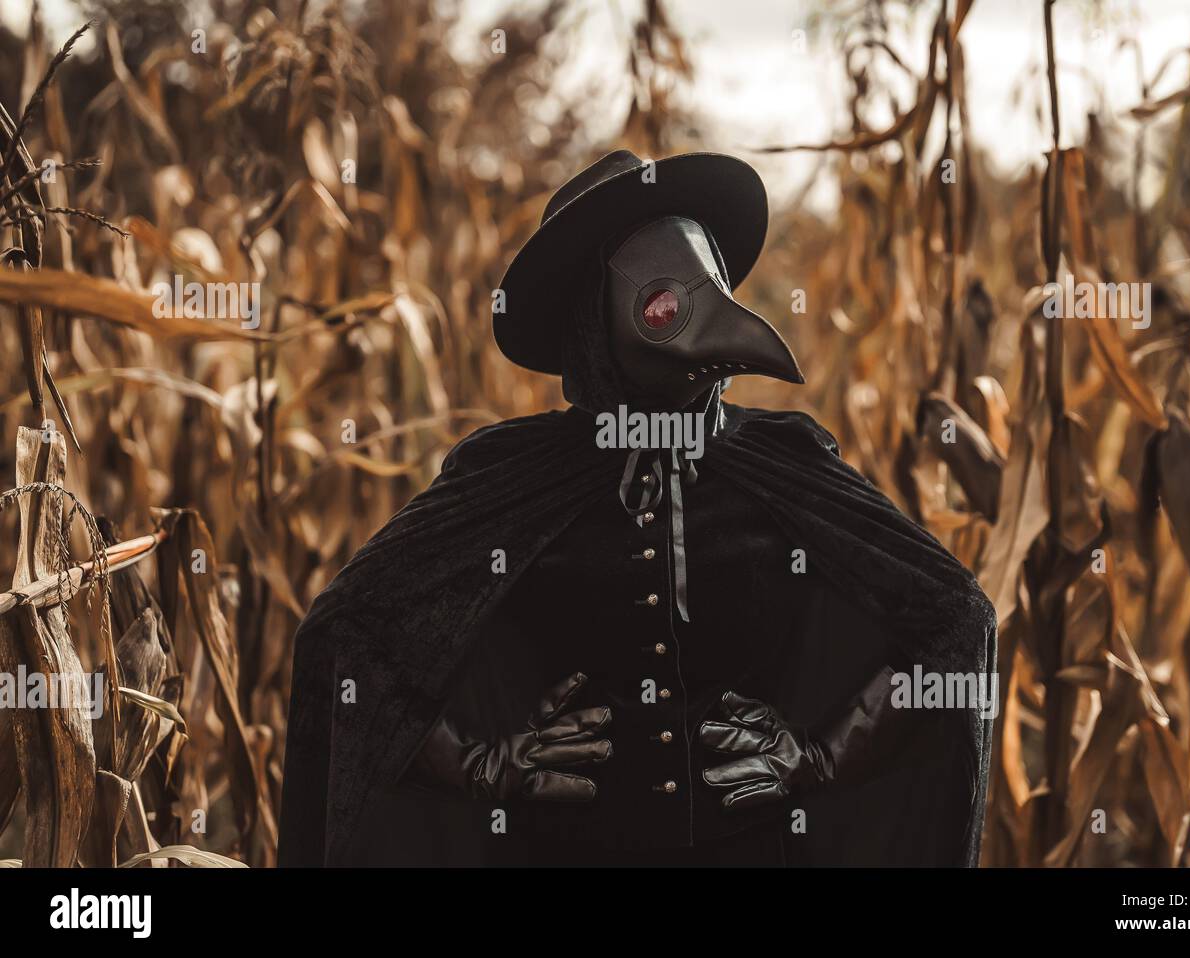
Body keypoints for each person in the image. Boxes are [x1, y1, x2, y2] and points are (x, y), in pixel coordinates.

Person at [278, 150, 997, 867]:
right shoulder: (508, 476)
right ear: (591, 318)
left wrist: (820, 756)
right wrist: (482, 766)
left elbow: (954, 618)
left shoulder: (785, 462)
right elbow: (348, 639)